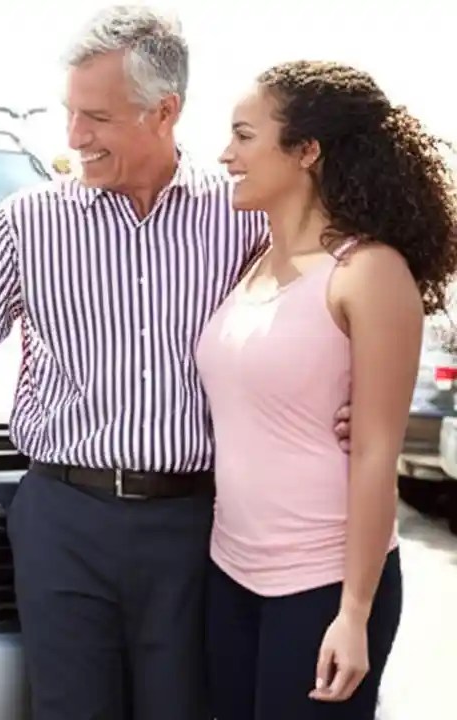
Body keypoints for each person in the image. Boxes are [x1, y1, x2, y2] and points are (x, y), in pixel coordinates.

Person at [0, 6, 353, 720]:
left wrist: (353, 389)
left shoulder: (242, 215)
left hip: (199, 524)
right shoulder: (30, 221)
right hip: (64, 521)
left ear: (164, 111)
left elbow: (333, 295)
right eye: (70, 112)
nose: (75, 135)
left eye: (98, 118)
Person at [197, 60, 457, 718]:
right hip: (230, 572)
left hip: (324, 584)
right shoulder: (251, 263)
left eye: (244, 136)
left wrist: (355, 612)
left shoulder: (367, 272)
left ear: (306, 150)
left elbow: (375, 454)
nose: (226, 155)